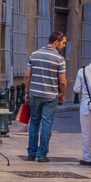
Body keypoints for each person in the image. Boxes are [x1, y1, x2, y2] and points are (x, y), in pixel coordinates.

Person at [24, 31, 67, 162]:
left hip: (35, 94)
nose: (64, 46)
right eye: (63, 43)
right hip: (50, 95)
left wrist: (27, 92)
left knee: (34, 123)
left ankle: (31, 153)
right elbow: (63, 81)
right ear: (56, 42)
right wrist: (62, 94)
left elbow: (27, 76)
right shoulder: (59, 59)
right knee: (47, 124)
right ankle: (42, 154)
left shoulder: (34, 54)